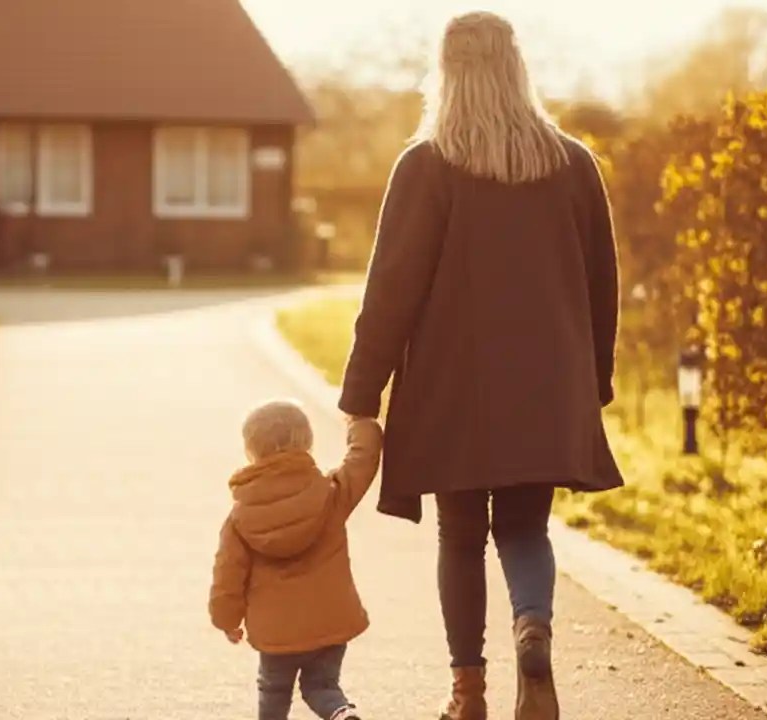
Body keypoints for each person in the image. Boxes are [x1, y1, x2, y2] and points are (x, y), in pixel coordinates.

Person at [336, 11, 625, 720]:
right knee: (525, 528)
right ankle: (534, 628)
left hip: (451, 388)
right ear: (516, 68)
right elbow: (602, 285)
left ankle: (468, 695)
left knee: (459, 536)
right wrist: (595, 382)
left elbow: (390, 292)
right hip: (548, 386)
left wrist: (361, 399)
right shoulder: (573, 163)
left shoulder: (426, 165)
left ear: (447, 72)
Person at [209, 400, 383, 720]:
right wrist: (361, 421)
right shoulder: (330, 494)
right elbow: (363, 461)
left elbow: (227, 576)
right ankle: (340, 713)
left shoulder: (240, 518)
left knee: (274, 690)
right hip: (330, 619)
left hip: (276, 632)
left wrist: (227, 619)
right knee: (322, 684)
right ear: (307, 442)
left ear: (251, 451)